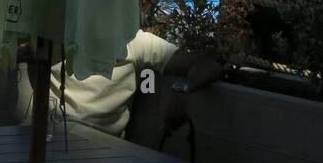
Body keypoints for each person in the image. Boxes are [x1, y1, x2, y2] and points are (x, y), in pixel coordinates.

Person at [37, 30, 223, 139]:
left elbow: (208, 64)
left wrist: (182, 91)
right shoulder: (49, 34)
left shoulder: (136, 42)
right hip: (46, 139)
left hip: (103, 152)